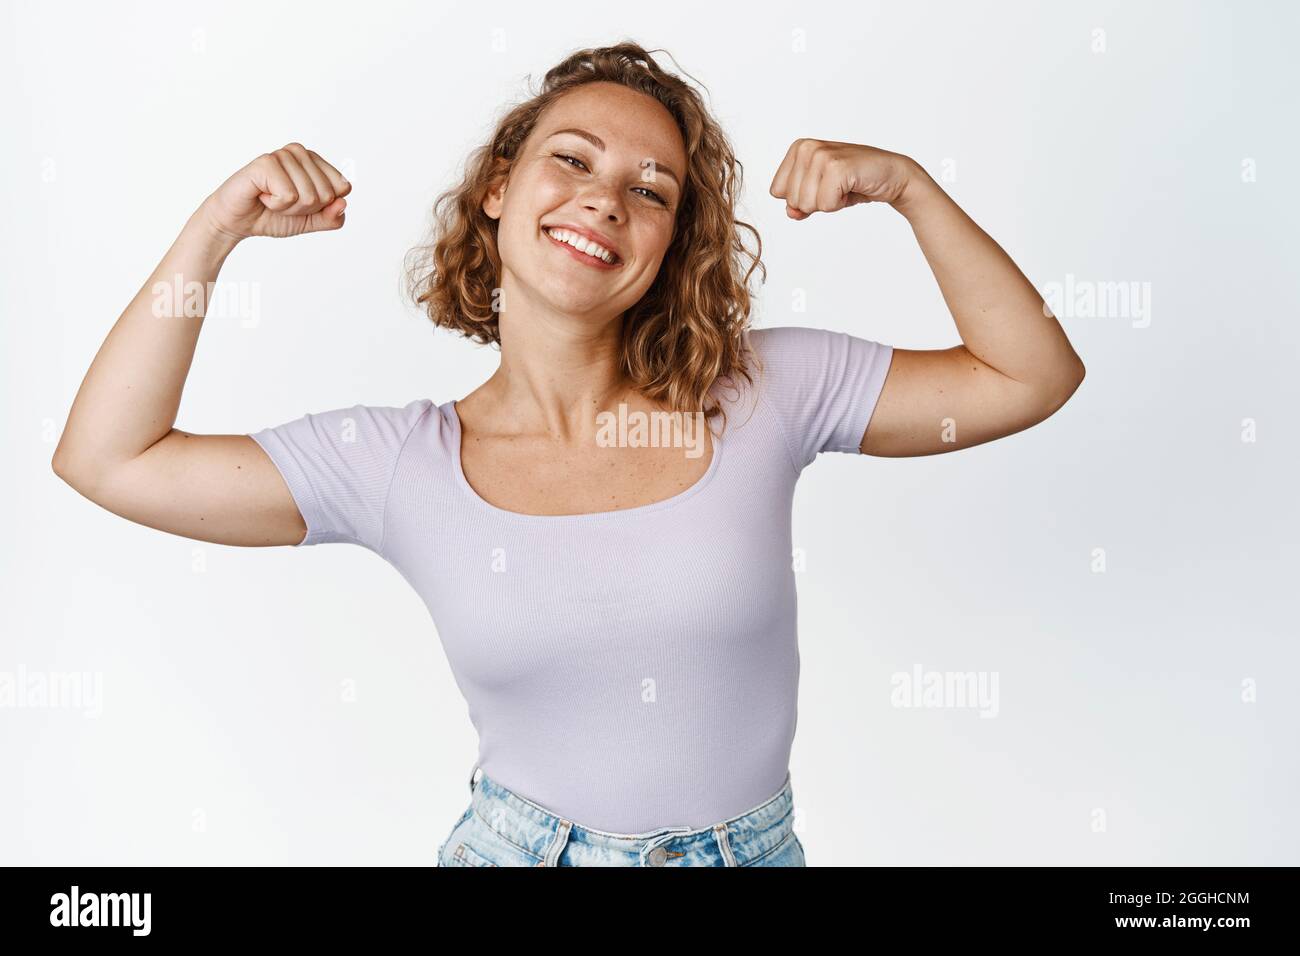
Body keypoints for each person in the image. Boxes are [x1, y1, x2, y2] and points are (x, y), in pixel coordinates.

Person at [52, 42, 1085, 867]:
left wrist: (907, 187)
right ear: (500, 187)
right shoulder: (394, 461)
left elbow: (1028, 374)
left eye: (652, 191)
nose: (605, 200)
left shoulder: (767, 390)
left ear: (671, 244)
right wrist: (214, 230)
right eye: (573, 159)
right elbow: (109, 458)